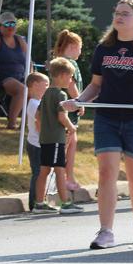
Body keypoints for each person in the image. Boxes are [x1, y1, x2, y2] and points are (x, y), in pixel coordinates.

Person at [61, 0, 133, 249]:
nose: (119, 17)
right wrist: (78, 100)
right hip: (107, 118)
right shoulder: (103, 48)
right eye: (116, 13)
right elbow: (95, 85)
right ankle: (105, 231)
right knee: (106, 172)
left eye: (125, 14)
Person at [32, 58, 84, 214]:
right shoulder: (61, 95)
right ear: (62, 75)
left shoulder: (46, 93)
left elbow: (37, 115)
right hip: (56, 139)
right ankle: (66, 203)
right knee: (60, 169)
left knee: (44, 170)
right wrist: (71, 128)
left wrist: (44, 131)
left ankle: (39, 203)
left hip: (46, 138)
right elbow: (62, 117)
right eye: (70, 77)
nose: (70, 81)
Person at [53, 30, 85, 191]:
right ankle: (58, 178)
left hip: (69, 109)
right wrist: (80, 102)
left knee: (72, 141)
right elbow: (71, 84)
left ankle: (68, 176)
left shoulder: (64, 61)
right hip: (67, 109)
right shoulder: (68, 63)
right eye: (80, 48)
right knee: (65, 143)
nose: (81, 52)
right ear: (73, 46)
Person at [0, 11, 27, 129]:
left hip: (20, 76)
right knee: (22, 90)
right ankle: (12, 123)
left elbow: (28, 59)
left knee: (37, 86)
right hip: (2, 77)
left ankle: (28, 123)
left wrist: (30, 74)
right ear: (0, 27)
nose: (11, 27)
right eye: (7, 25)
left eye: (13, 24)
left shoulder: (20, 40)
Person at [25, 72, 48, 212]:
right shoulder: (34, 104)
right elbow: (40, 124)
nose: (47, 87)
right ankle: (35, 202)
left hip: (39, 143)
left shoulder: (37, 103)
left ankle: (39, 200)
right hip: (36, 144)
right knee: (38, 173)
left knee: (41, 173)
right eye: (45, 85)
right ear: (34, 85)